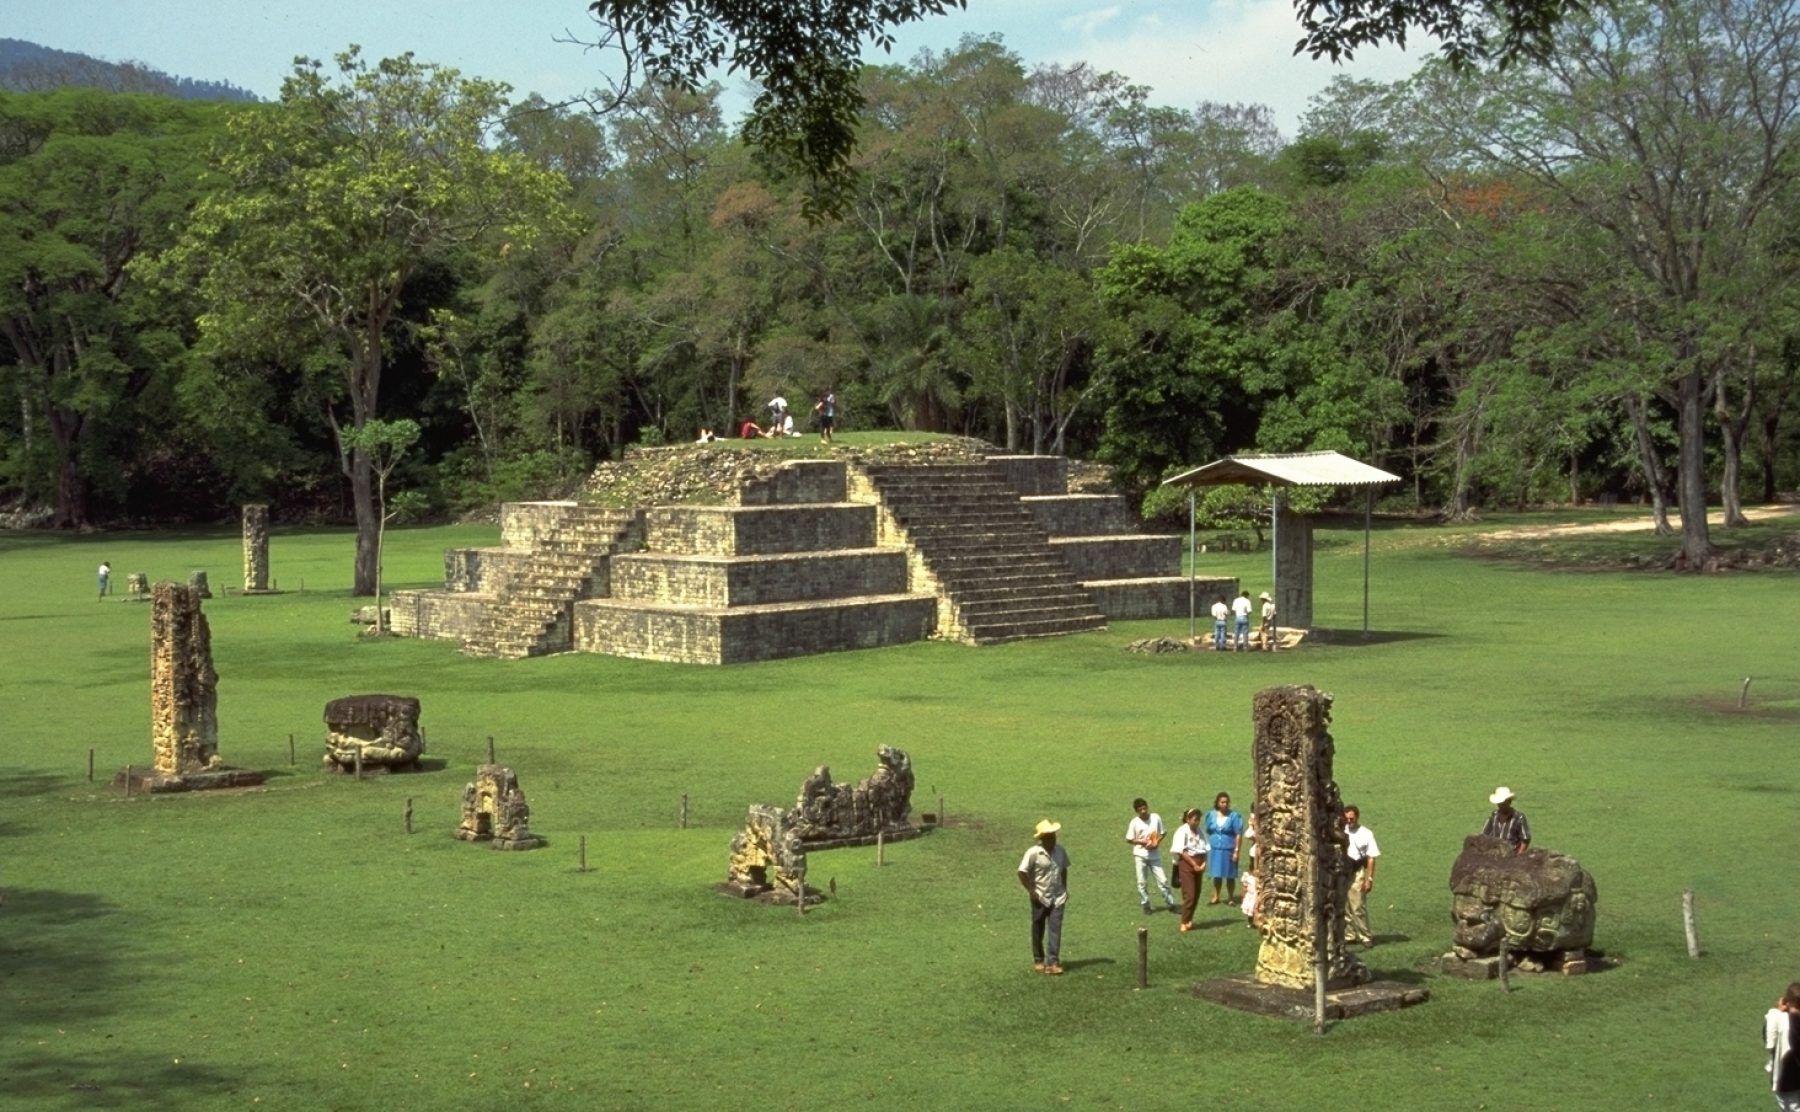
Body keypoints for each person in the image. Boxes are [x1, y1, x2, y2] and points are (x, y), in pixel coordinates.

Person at [1017, 818, 1070, 975]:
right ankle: (1039, 958)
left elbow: (1064, 869)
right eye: (1048, 837)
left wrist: (1065, 888)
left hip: (1058, 897)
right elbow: (1021, 872)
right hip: (1040, 897)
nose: (1052, 839)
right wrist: (1031, 890)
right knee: (1038, 928)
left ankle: (1053, 962)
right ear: (1042, 839)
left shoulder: (1060, 851)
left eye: (1053, 836)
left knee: (1055, 929)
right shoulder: (1033, 853)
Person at [1125, 798, 1178, 915]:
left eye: (1144, 808)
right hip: (1140, 855)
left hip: (1154, 855)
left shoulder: (1155, 818)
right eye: (1140, 810)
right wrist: (1143, 843)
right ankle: (1146, 905)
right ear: (1136, 811)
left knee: (1163, 880)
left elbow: (1163, 832)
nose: (1143, 811)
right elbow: (1129, 839)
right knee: (1142, 882)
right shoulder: (1134, 822)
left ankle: (1171, 904)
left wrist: (1156, 842)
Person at [1343, 804, 1380, 947]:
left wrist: (1369, 878)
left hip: (1357, 870)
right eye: (1346, 819)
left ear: (1357, 817)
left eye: (1351, 818)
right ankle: (1349, 934)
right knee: (1344, 905)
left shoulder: (1366, 833)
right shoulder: (1341, 830)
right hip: (1342, 870)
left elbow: (1371, 857)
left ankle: (1365, 936)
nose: (1349, 821)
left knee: (1357, 905)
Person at [1169, 807, 1208, 932]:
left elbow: (1205, 848)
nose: (1197, 822)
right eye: (1195, 820)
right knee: (1189, 894)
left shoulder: (1200, 832)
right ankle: (1184, 921)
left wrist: (1204, 864)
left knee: (1197, 893)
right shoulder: (1182, 831)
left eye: (1198, 820)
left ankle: (1190, 920)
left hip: (1199, 863)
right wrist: (1194, 865)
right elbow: (1182, 851)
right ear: (1188, 819)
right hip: (1187, 864)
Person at [1204, 792, 1245, 904]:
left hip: (1229, 849)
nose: (1225, 804)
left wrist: (1236, 850)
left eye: (1226, 802)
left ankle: (1230, 897)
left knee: (1230, 874)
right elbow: (1208, 829)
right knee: (1217, 874)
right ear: (1217, 803)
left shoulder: (1234, 816)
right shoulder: (1211, 815)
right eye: (1222, 802)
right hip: (1216, 849)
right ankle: (1216, 896)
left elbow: (1238, 834)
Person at [1766, 982, 1800, 1109]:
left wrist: (1779, 1010)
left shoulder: (1779, 1021)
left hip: (1787, 1081)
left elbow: (1768, 1035)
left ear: (1788, 1002)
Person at [1481, 786, 1531, 854]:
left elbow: (1525, 839)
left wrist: (1519, 855)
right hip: (1495, 854)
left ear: (1509, 802)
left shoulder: (1519, 818)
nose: (1501, 805)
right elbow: (1484, 836)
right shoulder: (1493, 816)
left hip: (1512, 854)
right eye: (1499, 803)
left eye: (1503, 803)